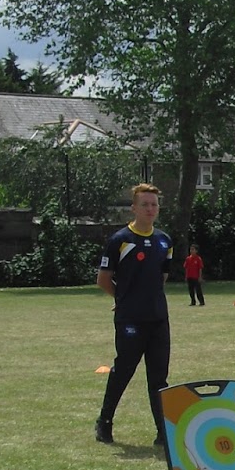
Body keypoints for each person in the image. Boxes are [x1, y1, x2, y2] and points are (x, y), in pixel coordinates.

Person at [95, 182, 173, 447]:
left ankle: (163, 433)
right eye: (145, 204)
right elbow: (103, 279)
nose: (150, 209)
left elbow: (161, 277)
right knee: (123, 371)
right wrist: (124, 299)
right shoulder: (120, 241)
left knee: (159, 378)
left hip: (158, 319)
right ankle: (104, 422)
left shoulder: (165, 241)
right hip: (130, 320)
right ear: (134, 208)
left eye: (154, 204)